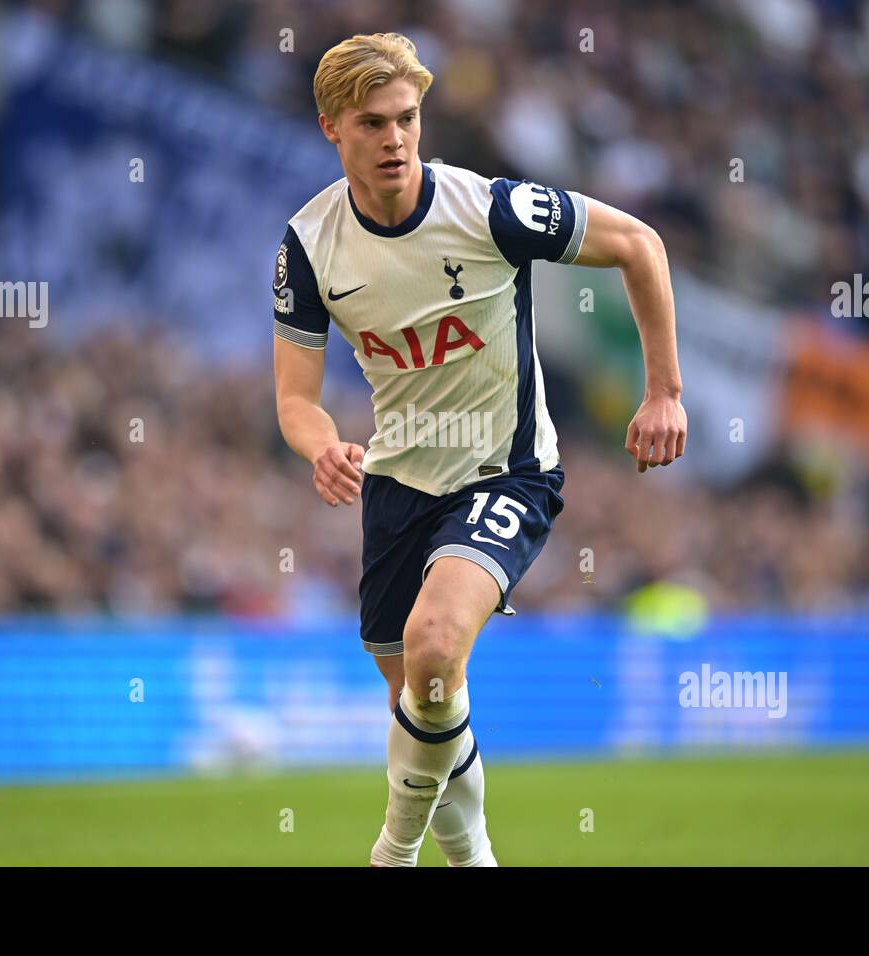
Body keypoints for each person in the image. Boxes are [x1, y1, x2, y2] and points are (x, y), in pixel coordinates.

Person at [271, 32, 686, 866]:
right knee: (425, 700)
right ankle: (476, 859)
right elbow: (294, 399)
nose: (395, 140)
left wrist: (665, 392)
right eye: (373, 124)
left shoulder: (488, 209)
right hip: (397, 487)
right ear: (331, 129)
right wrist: (322, 448)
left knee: (433, 650)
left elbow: (640, 245)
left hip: (506, 472)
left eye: (408, 119)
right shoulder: (309, 247)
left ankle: (391, 853)